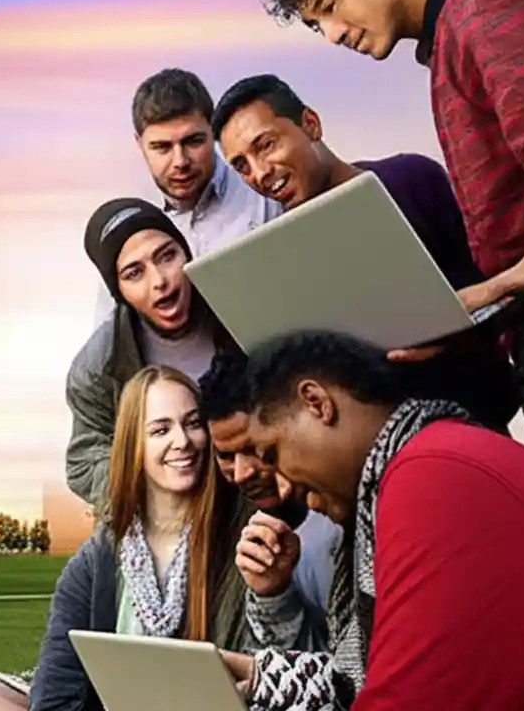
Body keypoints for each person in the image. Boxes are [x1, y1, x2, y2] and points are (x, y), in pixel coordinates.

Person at [256, 0, 524, 495]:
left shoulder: (483, 3)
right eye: (316, 25)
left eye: (331, 4)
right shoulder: (454, 33)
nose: (333, 33)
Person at [218, 329, 524, 710]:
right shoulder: (423, 465)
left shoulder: (435, 477)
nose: (282, 485)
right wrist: (265, 679)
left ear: (316, 403)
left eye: (273, 454)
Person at [209, 73, 520, 433]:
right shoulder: (280, 256)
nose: (259, 173)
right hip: (374, 443)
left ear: (311, 124)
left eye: (265, 145)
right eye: (241, 166)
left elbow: (496, 290)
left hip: (476, 416)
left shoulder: (412, 179)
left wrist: (452, 336)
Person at [0, 366, 250, 710]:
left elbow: (262, 665)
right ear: (133, 445)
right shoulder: (100, 555)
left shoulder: (238, 535)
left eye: (193, 423)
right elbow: (56, 686)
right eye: (161, 430)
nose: (182, 441)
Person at [67, 197, 237, 506]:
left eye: (167, 256)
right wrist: (154, 483)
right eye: (134, 273)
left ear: (187, 253)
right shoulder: (97, 368)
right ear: (119, 292)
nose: (159, 281)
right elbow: (83, 464)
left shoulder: (238, 311)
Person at [94, 68, 282, 324]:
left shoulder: (266, 191)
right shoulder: (126, 229)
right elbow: (108, 332)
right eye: (162, 148)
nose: (180, 161)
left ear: (213, 131)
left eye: (193, 141)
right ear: (139, 143)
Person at [199, 351, 340, 654]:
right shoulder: (228, 530)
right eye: (225, 456)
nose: (241, 473)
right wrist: (273, 596)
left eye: (254, 449)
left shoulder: (347, 519)